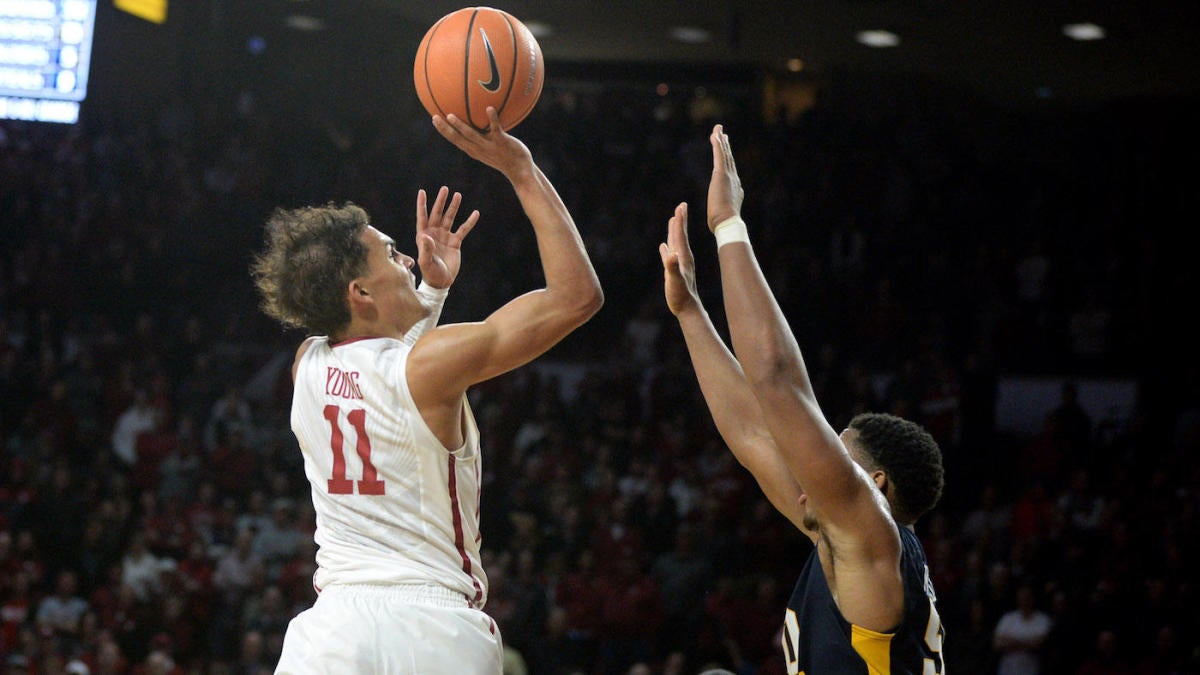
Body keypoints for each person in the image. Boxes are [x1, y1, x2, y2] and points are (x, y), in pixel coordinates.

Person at [252, 107, 602, 673]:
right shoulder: (430, 366)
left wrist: (430, 292)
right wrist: (522, 170)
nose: (409, 258)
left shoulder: (306, 365)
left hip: (329, 634)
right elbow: (576, 297)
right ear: (360, 292)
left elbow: (381, 364)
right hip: (433, 629)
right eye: (392, 254)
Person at [658, 124, 946, 673]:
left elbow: (775, 380)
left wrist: (728, 225)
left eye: (837, 452)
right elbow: (752, 433)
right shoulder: (848, 544)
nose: (812, 462)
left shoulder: (869, 533)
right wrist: (690, 312)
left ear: (874, 482)